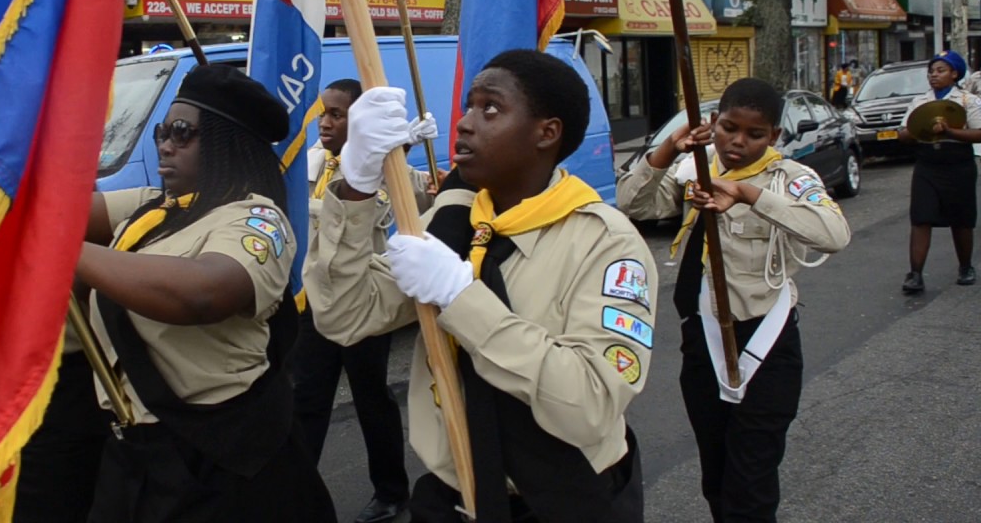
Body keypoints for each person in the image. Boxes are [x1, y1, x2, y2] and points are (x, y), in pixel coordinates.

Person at [306, 49, 654, 522]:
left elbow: (589, 404)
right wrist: (356, 188)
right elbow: (344, 316)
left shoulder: (605, 243)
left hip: (563, 496)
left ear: (546, 132)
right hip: (454, 493)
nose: (465, 123)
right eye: (469, 106)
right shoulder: (451, 221)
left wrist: (461, 298)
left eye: (490, 108)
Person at [77, 64, 335, 523]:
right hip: (138, 452)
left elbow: (203, 294)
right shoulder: (154, 207)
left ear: (224, 142)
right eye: (162, 131)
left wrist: (62, 250)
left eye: (182, 132)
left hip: (223, 458)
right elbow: (64, 213)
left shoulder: (257, 220)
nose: (164, 144)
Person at [617, 77, 850, 523]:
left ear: (774, 136)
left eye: (754, 134)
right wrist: (668, 151)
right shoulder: (695, 169)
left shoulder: (788, 177)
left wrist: (749, 194)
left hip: (765, 344)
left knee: (752, 480)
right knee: (717, 475)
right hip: (702, 343)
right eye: (728, 128)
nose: (737, 142)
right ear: (712, 124)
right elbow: (633, 203)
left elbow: (834, 234)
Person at [295, 78, 435, 523]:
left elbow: (419, 200)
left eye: (338, 114)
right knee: (306, 400)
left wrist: (406, 152)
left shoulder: (390, 169)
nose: (326, 123)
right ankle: (293, 491)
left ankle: (392, 493)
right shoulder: (310, 163)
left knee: (371, 399)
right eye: (324, 113)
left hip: (362, 298)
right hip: (314, 300)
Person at [896, 50, 981, 293]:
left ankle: (965, 267)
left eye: (940, 71)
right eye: (931, 71)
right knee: (921, 218)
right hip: (928, 164)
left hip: (958, 164)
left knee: (962, 219)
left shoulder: (967, 100)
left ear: (954, 74)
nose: (934, 75)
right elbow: (903, 132)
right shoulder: (920, 102)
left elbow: (979, 132)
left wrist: (950, 132)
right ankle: (915, 274)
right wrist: (917, 131)